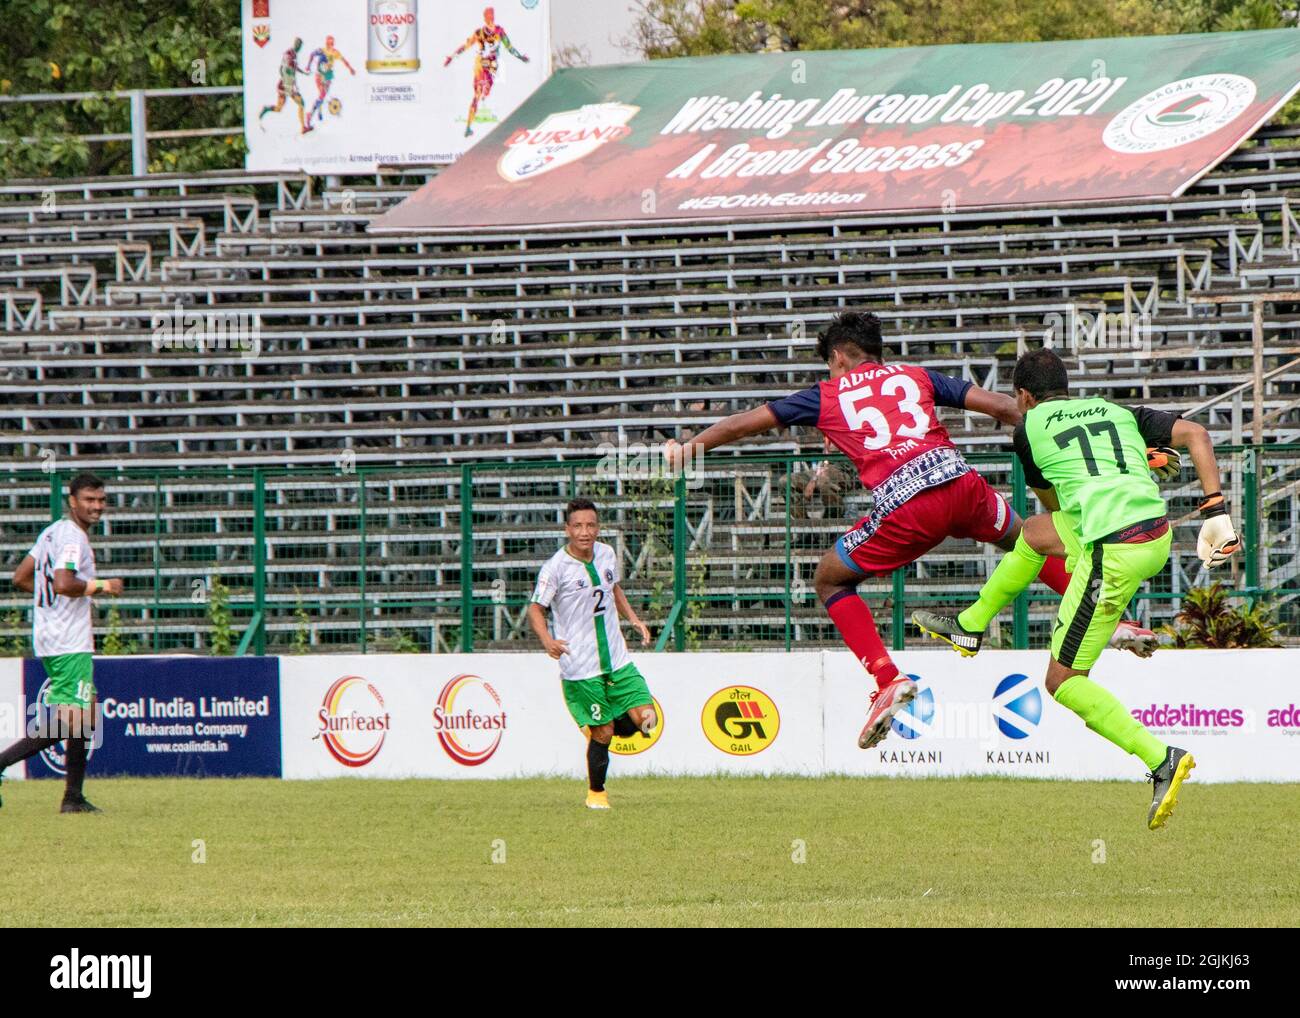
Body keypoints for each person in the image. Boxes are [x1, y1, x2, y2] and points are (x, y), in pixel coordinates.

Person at [663, 311, 1136, 749]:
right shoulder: (916, 376)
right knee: (1029, 540)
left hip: (909, 503)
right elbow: (1005, 409)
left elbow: (747, 424)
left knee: (830, 577)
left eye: (831, 365)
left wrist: (689, 448)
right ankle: (1113, 620)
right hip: (962, 484)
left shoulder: (827, 394)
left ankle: (887, 677)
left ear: (839, 357)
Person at [913, 347, 1240, 829]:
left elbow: (1053, 497)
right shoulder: (1116, 411)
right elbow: (1196, 434)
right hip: (1152, 530)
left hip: (1114, 549)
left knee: (1062, 681)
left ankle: (1160, 758)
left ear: (1023, 396)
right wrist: (1215, 509)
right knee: (1033, 535)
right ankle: (970, 625)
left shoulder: (1028, 428)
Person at [0, 473, 123, 813]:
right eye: (89, 500)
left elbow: (21, 577)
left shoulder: (52, 532)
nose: (96, 506)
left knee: (85, 714)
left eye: (100, 500)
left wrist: (54, 602)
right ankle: (2, 763)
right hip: (69, 641)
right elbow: (65, 582)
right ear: (73, 501)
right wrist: (102, 586)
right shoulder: (73, 539)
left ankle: (73, 798)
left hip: (51, 634)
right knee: (76, 719)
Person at [527, 499, 657, 809]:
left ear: (597, 527)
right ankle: (596, 794)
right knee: (604, 732)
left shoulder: (607, 554)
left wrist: (634, 619)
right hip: (581, 666)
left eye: (591, 525)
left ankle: (602, 719)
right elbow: (535, 607)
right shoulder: (555, 568)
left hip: (616, 657)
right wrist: (547, 641)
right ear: (567, 529)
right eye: (578, 526)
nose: (585, 532)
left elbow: (613, 590)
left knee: (647, 720)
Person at [444, 7, 529, 137]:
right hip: (481, 63)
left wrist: (520, 57)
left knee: (485, 92)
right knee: (478, 94)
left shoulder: (499, 31)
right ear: (485, 18)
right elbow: (465, 46)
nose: (490, 17)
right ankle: (468, 127)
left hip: (492, 65)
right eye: (488, 15)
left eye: (492, 15)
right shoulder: (479, 33)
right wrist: (452, 56)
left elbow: (509, 46)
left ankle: (480, 98)